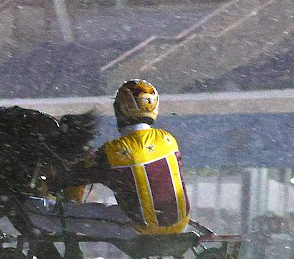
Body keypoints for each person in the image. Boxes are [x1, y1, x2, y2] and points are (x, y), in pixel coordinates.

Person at [52, 79, 191, 237]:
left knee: (58, 214)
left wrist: (50, 180)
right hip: (181, 224)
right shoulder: (168, 139)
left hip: (139, 229)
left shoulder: (113, 152)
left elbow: (71, 177)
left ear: (120, 110)